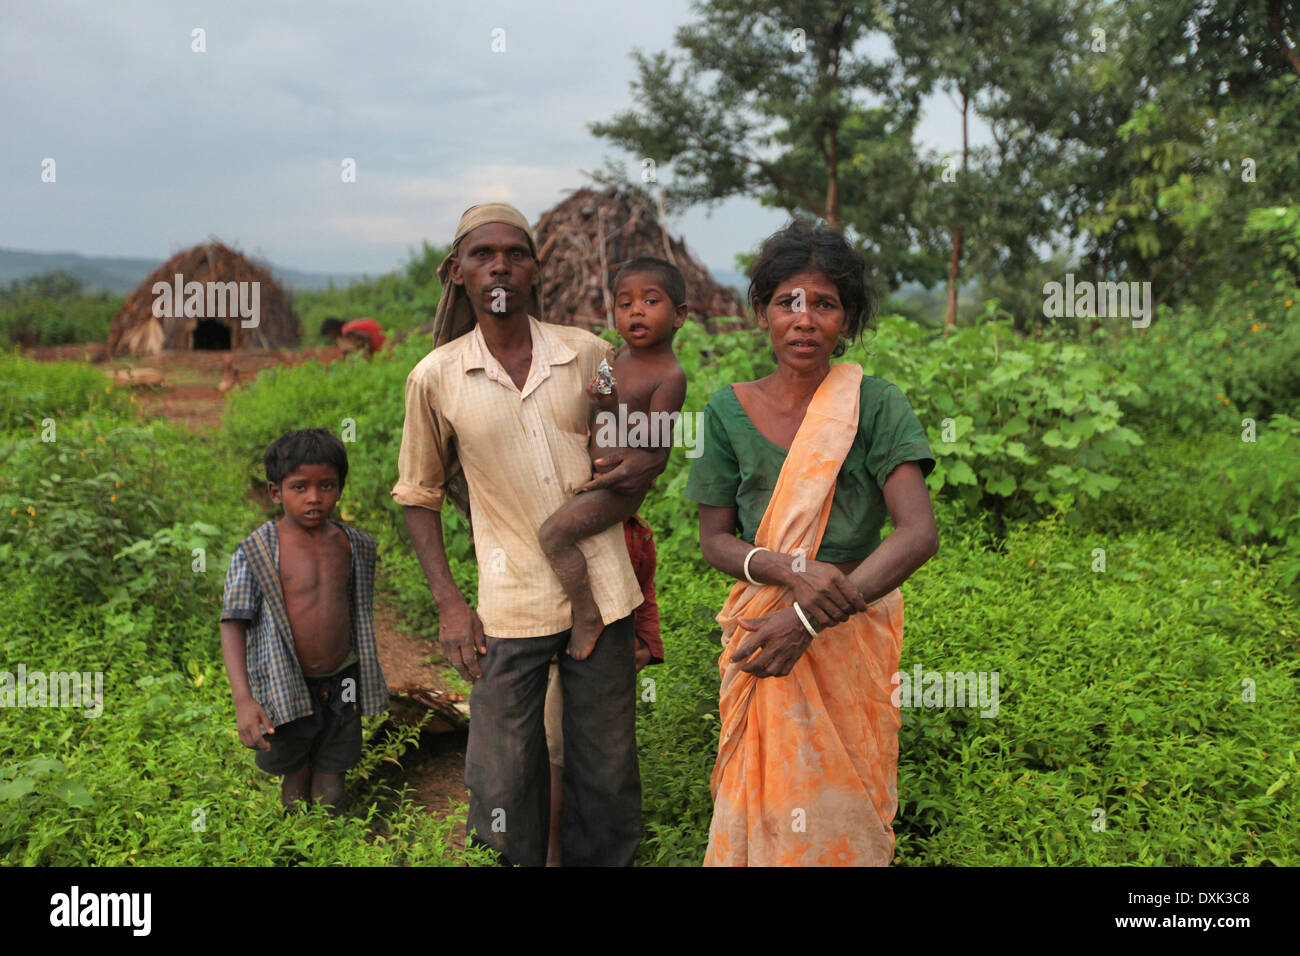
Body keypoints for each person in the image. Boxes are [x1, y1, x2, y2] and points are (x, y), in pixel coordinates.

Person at [391, 202, 664, 867]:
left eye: (516, 252)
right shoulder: (436, 377)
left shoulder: (589, 353)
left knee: (606, 773)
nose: (501, 265)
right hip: (507, 606)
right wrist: (450, 605)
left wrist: (634, 456)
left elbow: (619, 423)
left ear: (536, 269)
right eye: (483, 255)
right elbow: (418, 496)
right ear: (458, 273)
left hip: (603, 592)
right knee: (503, 775)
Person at [683, 219, 940, 866]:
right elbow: (714, 540)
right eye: (787, 301)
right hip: (762, 633)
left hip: (846, 634)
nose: (804, 319)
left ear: (847, 321)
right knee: (763, 801)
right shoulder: (727, 411)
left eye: (824, 304)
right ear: (763, 313)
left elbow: (917, 535)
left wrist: (806, 616)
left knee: (840, 796)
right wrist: (785, 572)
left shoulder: (876, 405)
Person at [219, 428, 388, 813]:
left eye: (326, 485)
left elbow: (355, 611)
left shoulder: (354, 546)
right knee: (295, 771)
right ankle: (299, 846)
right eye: (299, 487)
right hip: (284, 683)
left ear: (340, 487)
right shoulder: (257, 550)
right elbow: (233, 622)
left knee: (334, 771)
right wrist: (244, 701)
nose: (314, 497)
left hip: (343, 680)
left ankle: (328, 841)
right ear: (276, 492)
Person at [537, 257, 687, 660]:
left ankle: (588, 615)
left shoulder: (669, 376)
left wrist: (613, 406)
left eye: (651, 301)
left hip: (620, 489)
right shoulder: (614, 357)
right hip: (593, 476)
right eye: (625, 303)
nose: (636, 310)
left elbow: (654, 441)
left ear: (680, 316)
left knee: (553, 536)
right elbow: (591, 414)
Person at [544, 513, 665, 866]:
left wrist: (646, 640)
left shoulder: (638, 531)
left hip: (609, 655)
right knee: (554, 751)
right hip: (556, 649)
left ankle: (598, 851)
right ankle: (552, 854)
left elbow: (644, 590)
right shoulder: (567, 521)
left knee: (605, 757)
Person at [320, 316, 387, 355]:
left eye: (329, 334)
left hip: (377, 339)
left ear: (333, 330)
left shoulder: (346, 330)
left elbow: (367, 337)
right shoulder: (344, 333)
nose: (331, 336)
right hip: (380, 338)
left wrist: (370, 355)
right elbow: (346, 352)